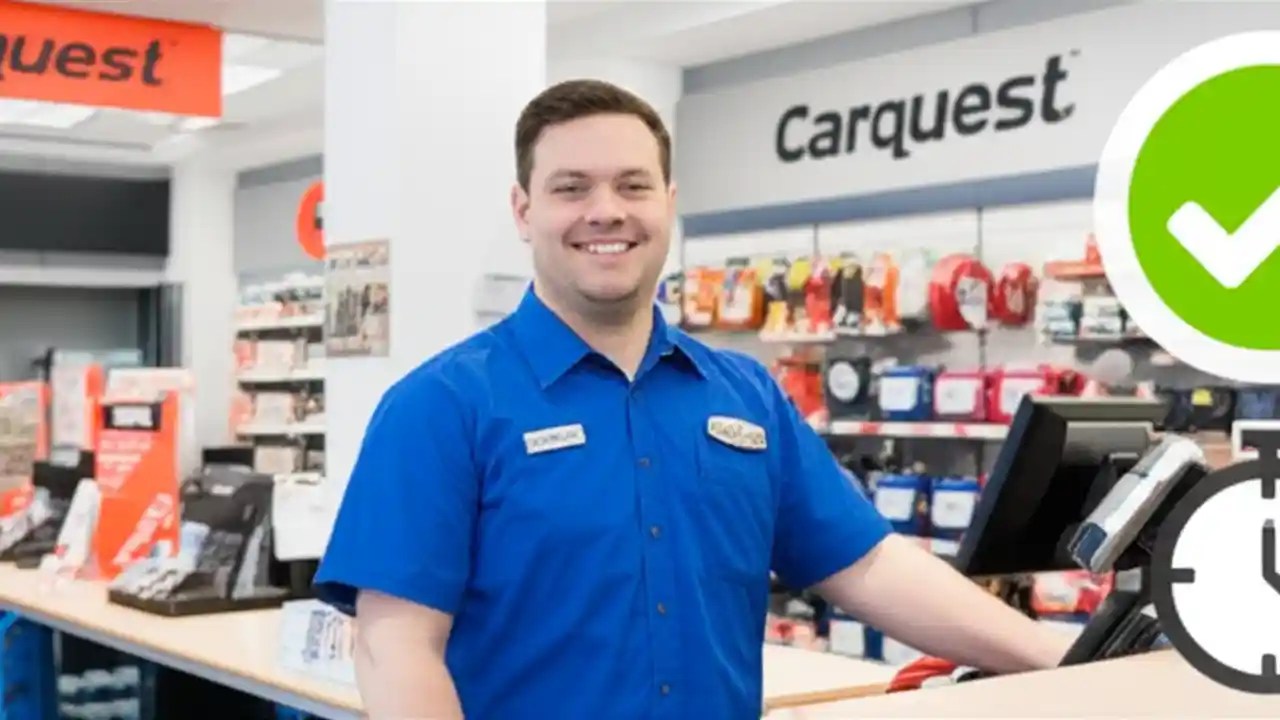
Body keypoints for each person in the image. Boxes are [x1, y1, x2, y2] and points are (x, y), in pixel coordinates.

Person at [312, 79, 1072, 720]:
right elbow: (395, 645)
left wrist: (1061, 654)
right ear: (523, 211)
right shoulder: (441, 407)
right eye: (570, 188)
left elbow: (866, 565)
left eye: (632, 185)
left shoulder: (745, 395)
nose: (605, 211)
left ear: (668, 202)